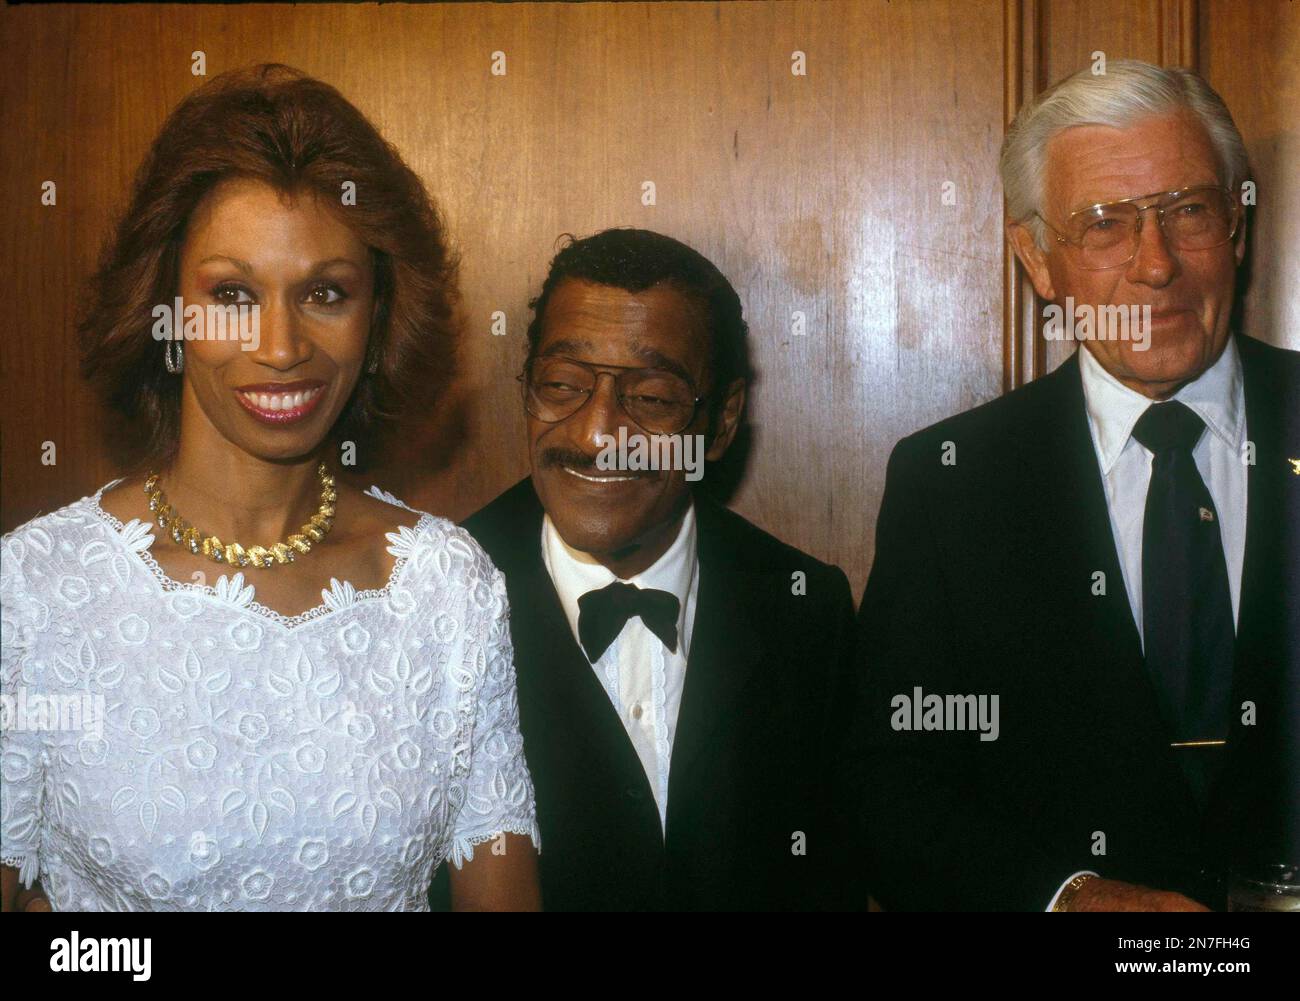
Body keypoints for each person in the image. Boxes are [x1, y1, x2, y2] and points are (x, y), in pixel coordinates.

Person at [0, 64, 540, 912]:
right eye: (232, 294)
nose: (281, 347)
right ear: (166, 309)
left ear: (377, 312)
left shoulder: (446, 586)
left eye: (326, 292)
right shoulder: (38, 590)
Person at [855, 59, 1300, 911]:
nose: (1156, 265)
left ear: (1236, 228)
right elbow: (889, 782)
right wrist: (1066, 897)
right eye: (1104, 225)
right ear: (1038, 260)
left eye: (1188, 211)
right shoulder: (951, 483)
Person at [430, 228, 862, 910]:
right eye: (563, 385)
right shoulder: (431, 599)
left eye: (653, 399)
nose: (598, 433)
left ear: (722, 422)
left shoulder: (806, 607)